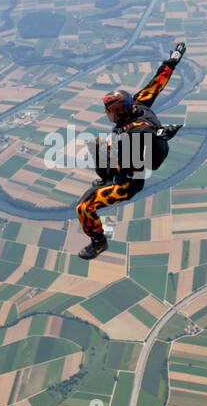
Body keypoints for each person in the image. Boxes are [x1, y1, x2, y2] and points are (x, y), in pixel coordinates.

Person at [75, 42, 187, 259]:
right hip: (137, 156)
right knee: (99, 145)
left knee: (84, 207)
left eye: (110, 113)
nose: (108, 116)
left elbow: (148, 131)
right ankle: (107, 177)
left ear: (118, 113)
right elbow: (156, 85)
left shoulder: (134, 130)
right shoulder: (138, 105)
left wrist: (163, 133)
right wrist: (171, 61)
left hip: (129, 183)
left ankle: (99, 243)